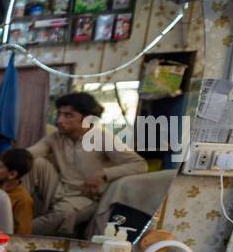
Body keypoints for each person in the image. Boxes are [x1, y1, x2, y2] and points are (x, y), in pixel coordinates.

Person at [28, 92, 147, 236]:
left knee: (64, 213)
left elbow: (140, 165)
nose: (59, 120)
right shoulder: (56, 137)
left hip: (85, 197)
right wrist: (3, 161)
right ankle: (13, 207)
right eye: (59, 114)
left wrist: (103, 174)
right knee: (34, 162)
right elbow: (31, 153)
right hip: (59, 189)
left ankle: (17, 232)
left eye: (68, 115)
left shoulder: (103, 138)